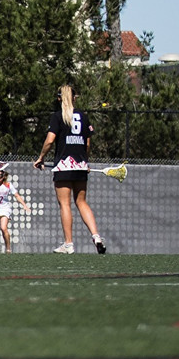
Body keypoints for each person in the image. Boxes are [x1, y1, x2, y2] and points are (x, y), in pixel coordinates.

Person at [32, 84, 106, 254]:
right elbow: (87, 143)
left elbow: (50, 141)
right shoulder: (84, 117)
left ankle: (68, 243)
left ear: (59, 99)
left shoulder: (58, 117)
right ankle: (96, 236)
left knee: (65, 204)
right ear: (74, 97)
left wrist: (41, 157)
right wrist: (85, 162)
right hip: (80, 165)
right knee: (81, 202)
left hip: (63, 166)